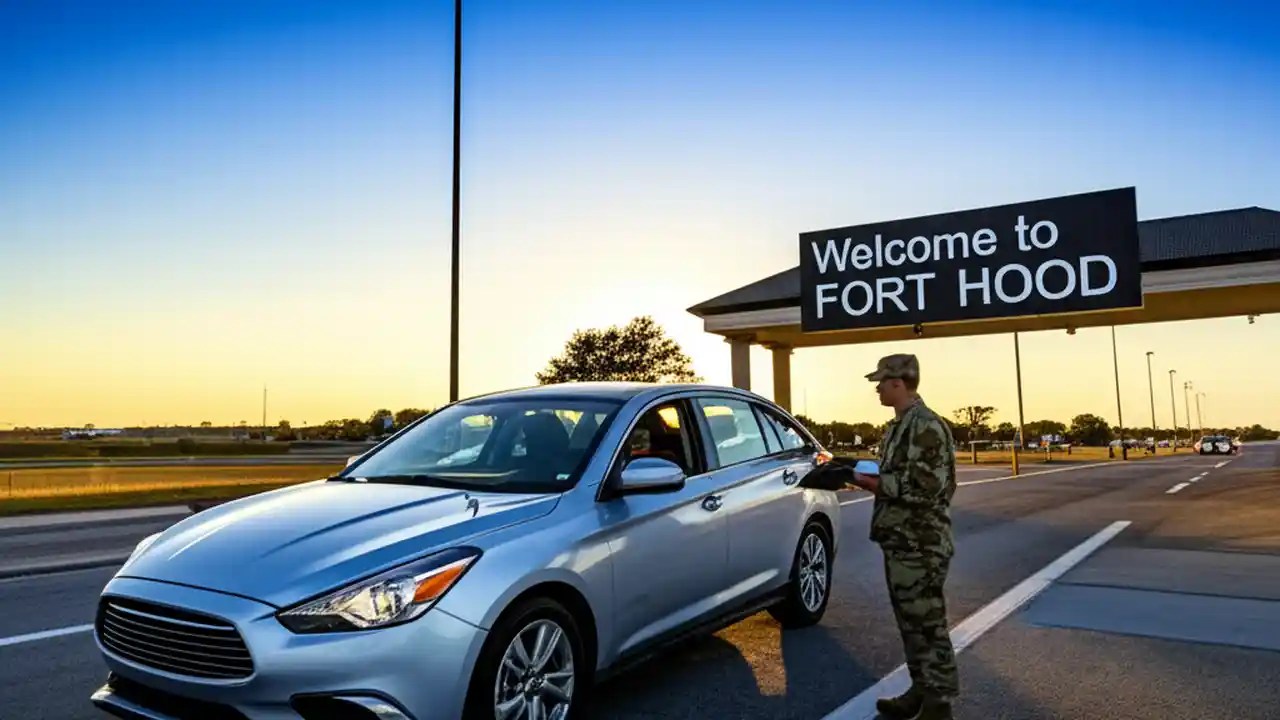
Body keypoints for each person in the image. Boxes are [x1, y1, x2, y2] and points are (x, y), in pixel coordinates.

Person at [839, 353, 960, 719]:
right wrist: (850, 468)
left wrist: (865, 481)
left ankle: (939, 705)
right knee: (911, 624)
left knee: (928, 625)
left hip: (921, 545)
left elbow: (926, 488)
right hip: (902, 542)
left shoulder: (925, 426)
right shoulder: (898, 425)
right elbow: (896, 473)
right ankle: (921, 690)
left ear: (898, 383)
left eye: (880, 381)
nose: (876, 388)